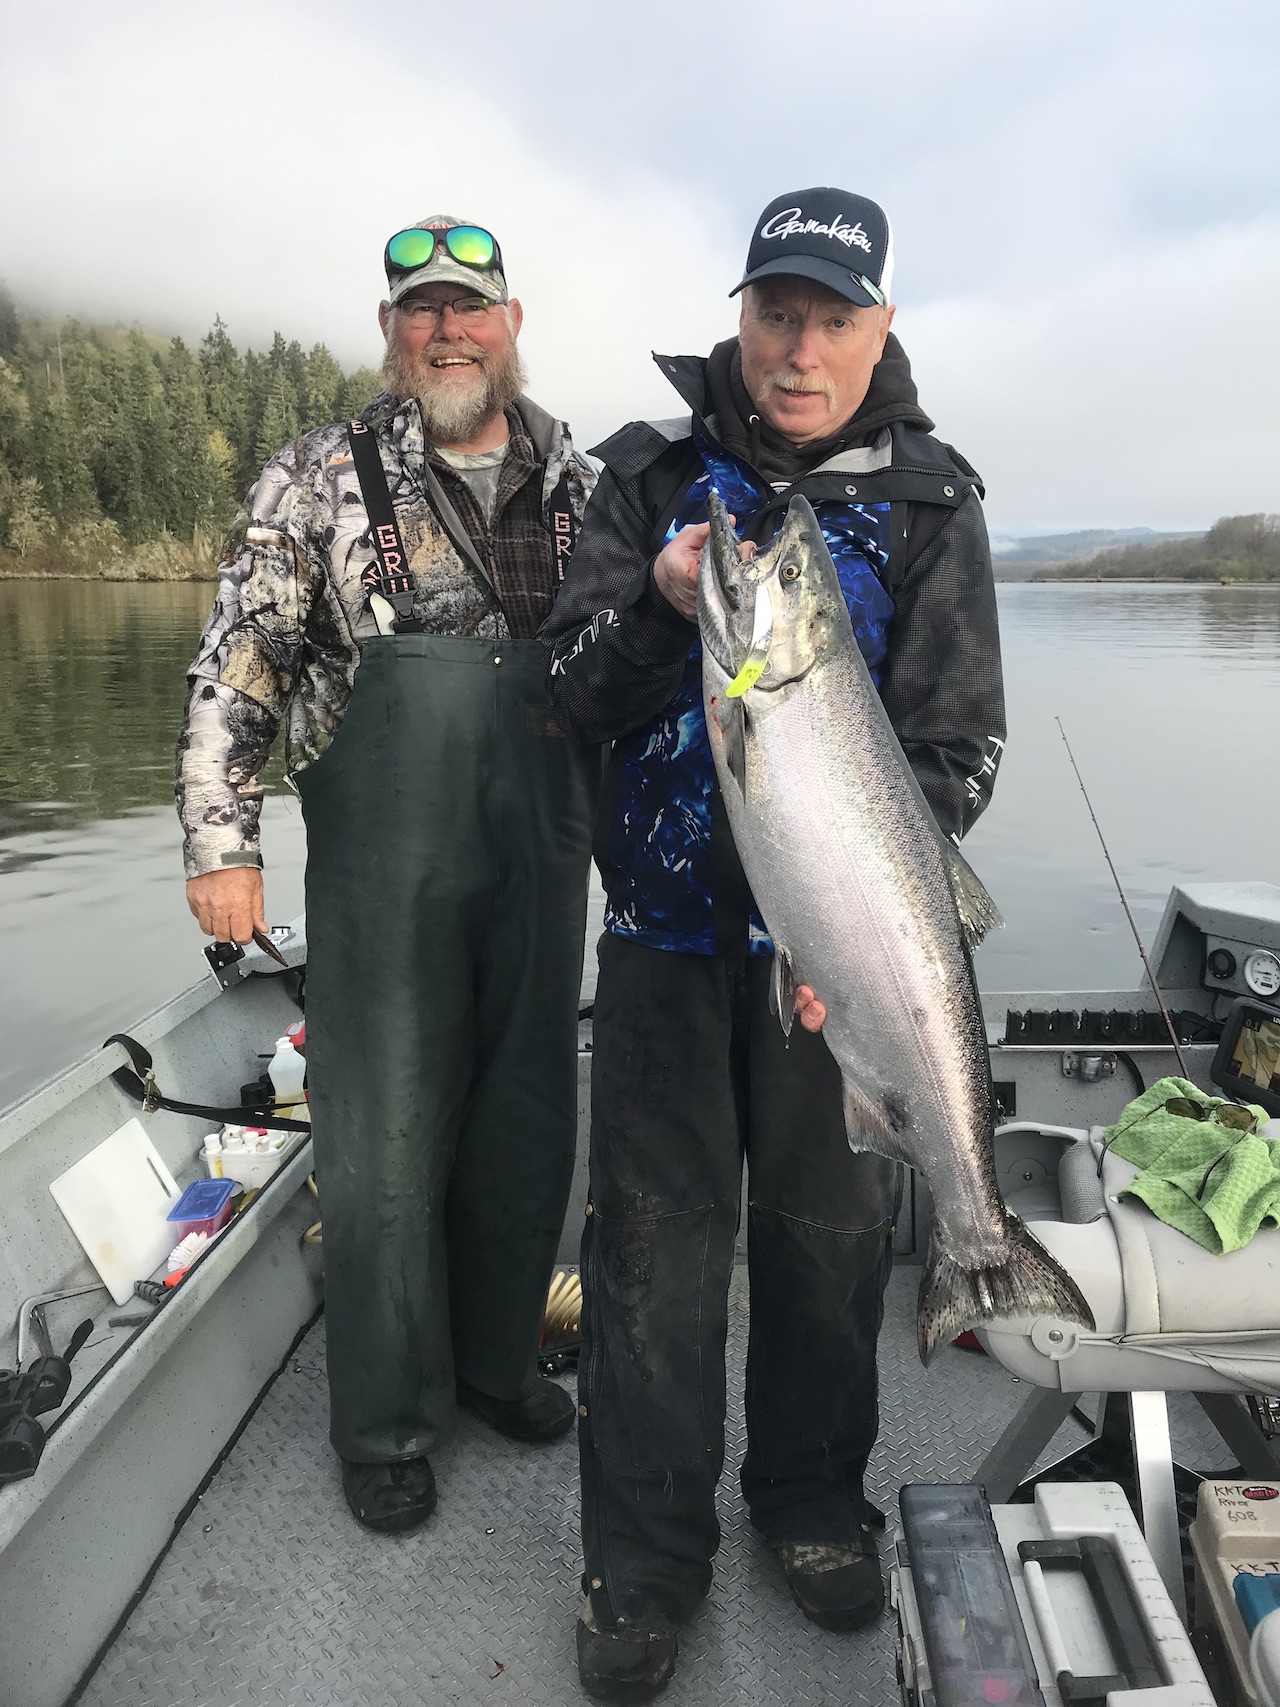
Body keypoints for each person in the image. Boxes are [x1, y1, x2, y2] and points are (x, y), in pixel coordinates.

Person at [543, 187, 1006, 1701]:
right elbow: (567, 696)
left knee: (824, 1252)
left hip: (846, 959)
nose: (801, 350)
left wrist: (857, 907)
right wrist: (660, 610)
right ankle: (647, 1556)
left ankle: (812, 1503)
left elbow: (958, 746)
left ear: (880, 330)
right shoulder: (649, 480)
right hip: (668, 947)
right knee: (653, 1262)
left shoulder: (934, 503)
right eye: (776, 316)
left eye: (835, 320)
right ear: (740, 319)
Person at [177, 215, 600, 1536]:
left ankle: (490, 1364)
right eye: (419, 310)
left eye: (468, 306)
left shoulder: (571, 472)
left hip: (543, 843)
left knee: (525, 1120)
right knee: (386, 1141)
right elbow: (237, 664)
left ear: (512, 321)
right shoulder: (318, 474)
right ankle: (388, 1418)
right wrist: (220, 845)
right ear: (389, 332)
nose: (446, 330)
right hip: (385, 853)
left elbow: (621, 660)